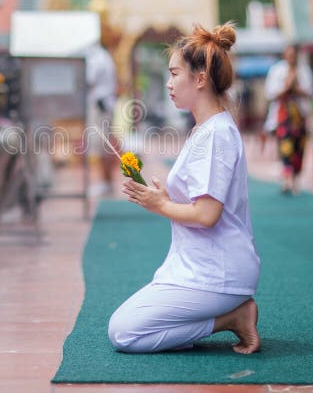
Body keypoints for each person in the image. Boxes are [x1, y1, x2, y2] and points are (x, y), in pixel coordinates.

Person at [110, 23, 261, 354]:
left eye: (175, 73)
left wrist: (158, 205)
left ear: (200, 79)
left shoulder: (215, 135)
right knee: (126, 327)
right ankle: (229, 314)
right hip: (197, 266)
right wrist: (165, 197)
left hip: (217, 272)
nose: (169, 83)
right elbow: (199, 202)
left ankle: (231, 318)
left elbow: (206, 215)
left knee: (124, 333)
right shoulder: (207, 130)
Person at [263, 44, 313, 193]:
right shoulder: (277, 70)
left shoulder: (304, 70)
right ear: (285, 55)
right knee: (285, 147)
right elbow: (270, 93)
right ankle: (287, 179)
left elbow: (310, 92)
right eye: (289, 55)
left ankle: (296, 179)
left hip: (300, 117)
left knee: (299, 148)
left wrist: (296, 87)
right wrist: (286, 87)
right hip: (282, 117)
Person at [86, 41, 118, 196]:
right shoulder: (102, 56)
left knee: (102, 146)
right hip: (104, 105)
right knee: (103, 146)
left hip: (101, 106)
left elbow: (88, 79)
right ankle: (106, 182)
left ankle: (106, 182)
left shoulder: (97, 58)